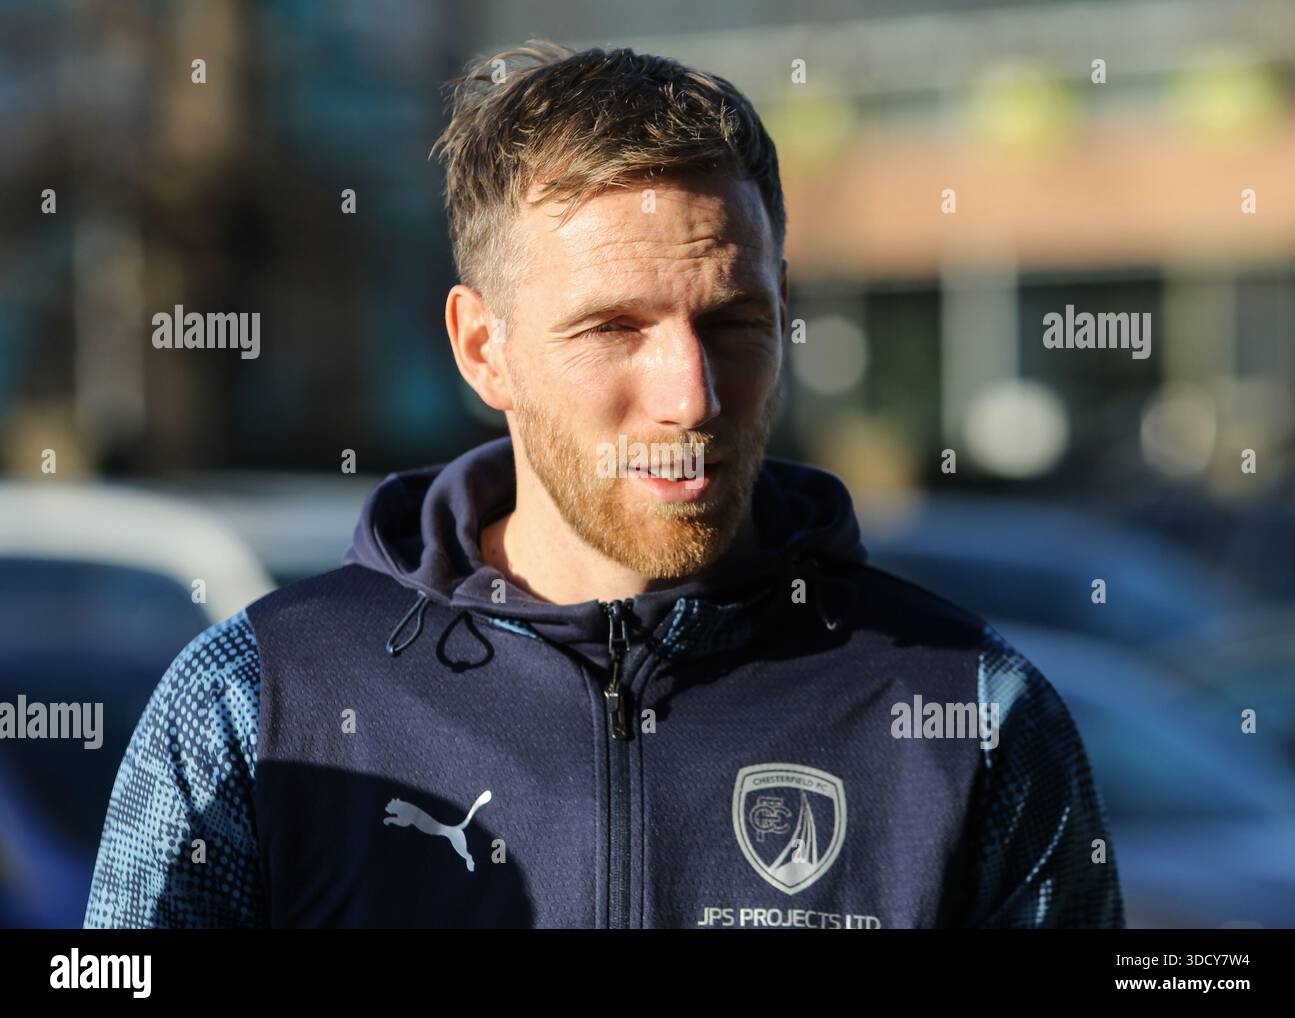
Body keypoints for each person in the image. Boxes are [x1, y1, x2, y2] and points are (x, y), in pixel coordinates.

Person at [84, 41, 1123, 929]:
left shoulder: (969, 712)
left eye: (732, 323)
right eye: (613, 328)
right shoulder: (255, 707)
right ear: (482, 347)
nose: (690, 393)